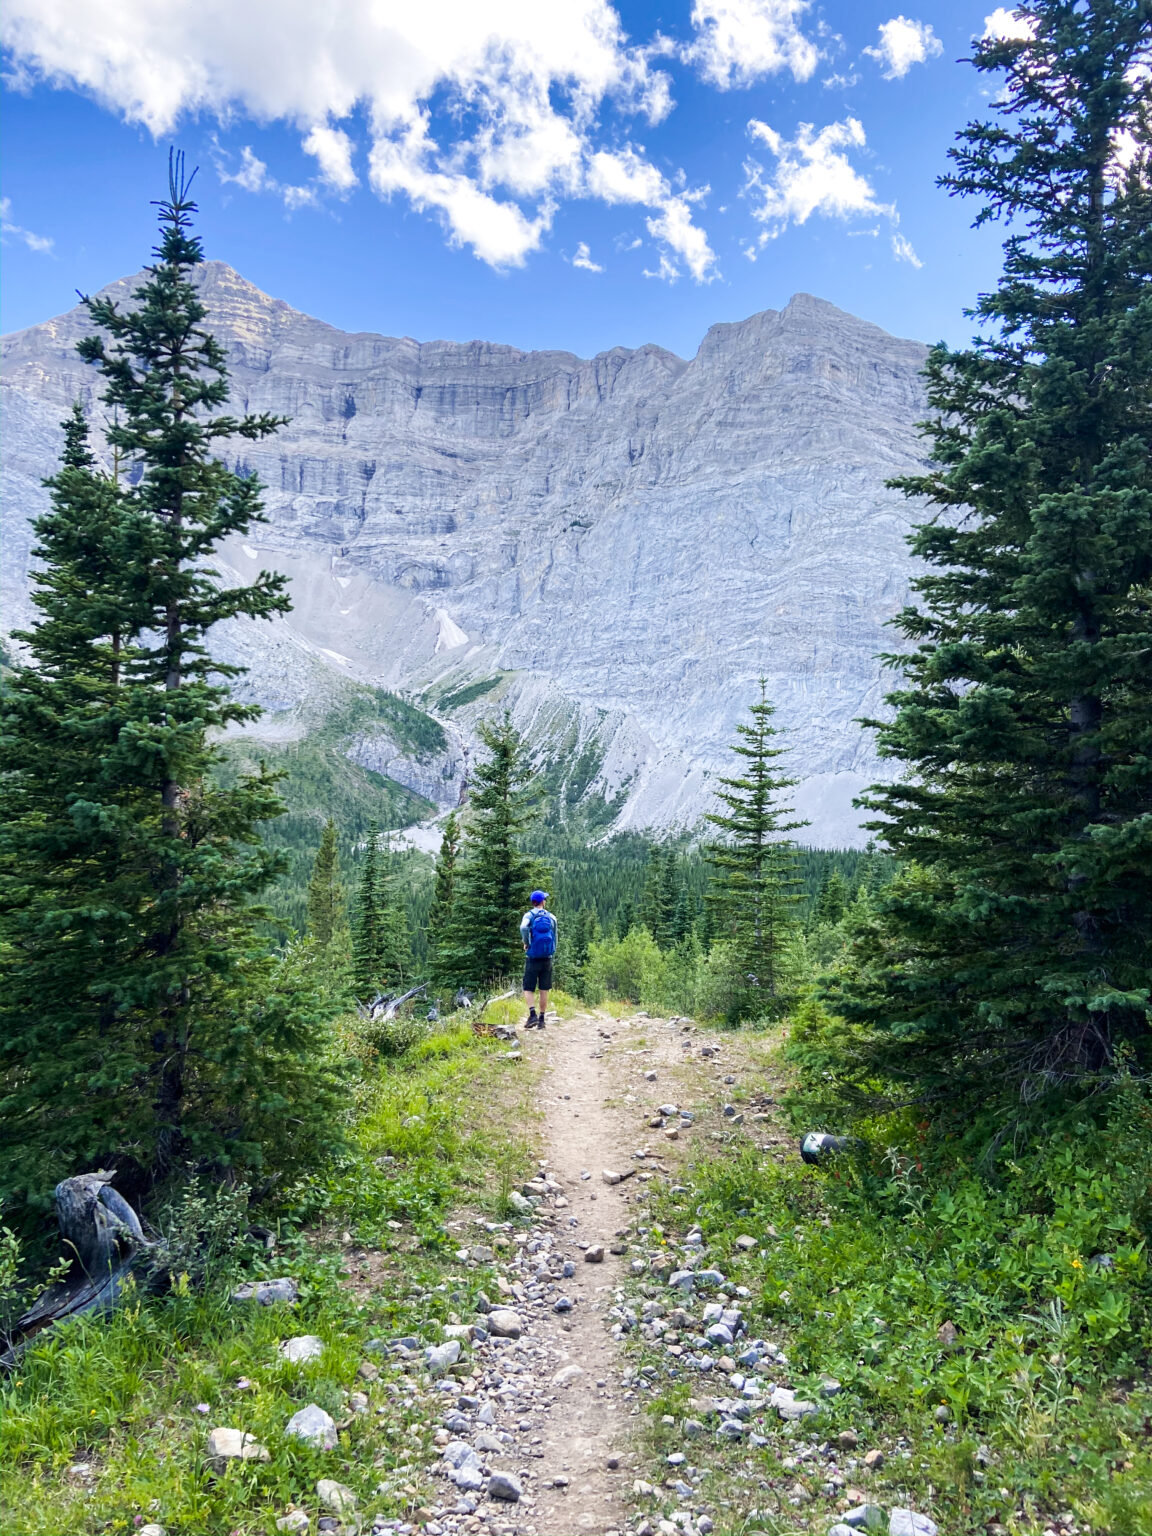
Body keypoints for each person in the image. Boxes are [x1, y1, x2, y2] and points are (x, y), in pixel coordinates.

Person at [520, 890, 557, 1029]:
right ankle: (541, 1020)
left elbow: (523, 927)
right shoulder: (551, 917)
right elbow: (555, 936)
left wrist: (527, 942)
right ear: (542, 901)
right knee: (544, 989)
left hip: (533, 957)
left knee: (528, 987)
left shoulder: (529, 915)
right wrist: (552, 951)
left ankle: (532, 1015)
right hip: (547, 958)